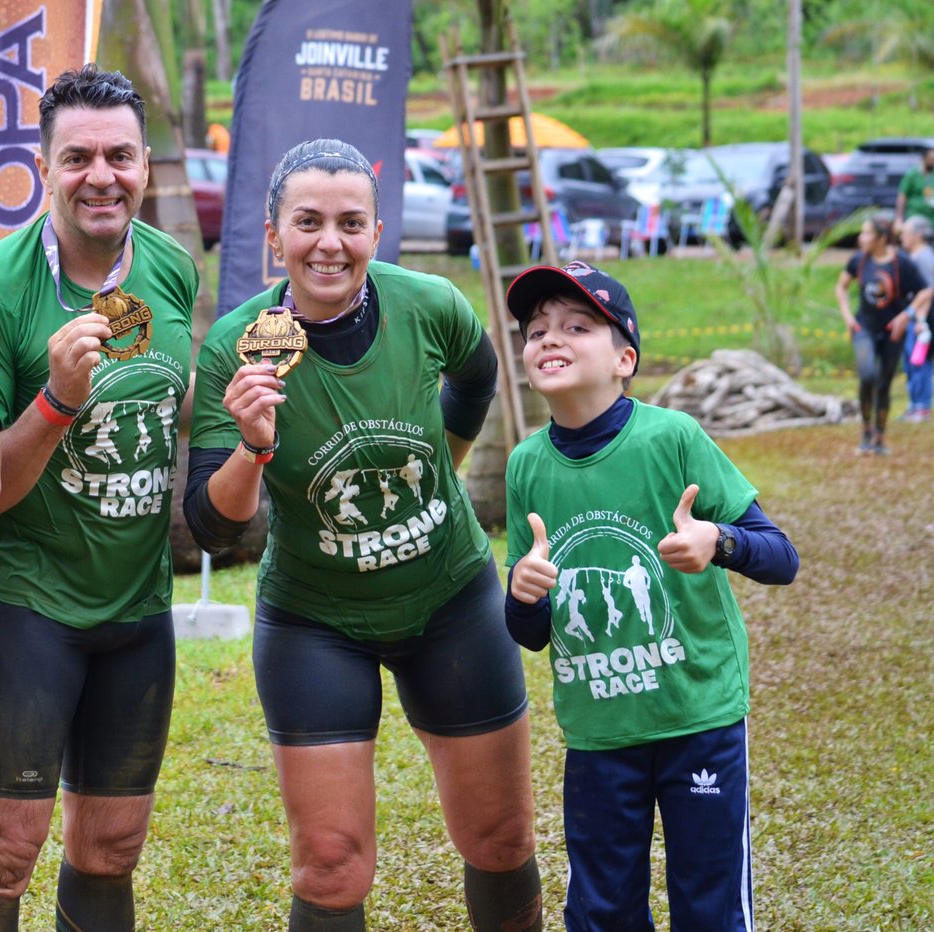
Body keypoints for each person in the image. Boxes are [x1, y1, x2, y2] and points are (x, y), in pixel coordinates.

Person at [184, 139, 541, 931]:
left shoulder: (429, 305)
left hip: (451, 599)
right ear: (275, 237)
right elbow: (213, 526)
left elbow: (477, 375)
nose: (330, 243)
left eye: (351, 223)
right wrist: (252, 443)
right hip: (317, 623)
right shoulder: (236, 347)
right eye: (307, 222)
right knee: (333, 862)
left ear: (378, 234)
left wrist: (445, 461)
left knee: (501, 837)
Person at [0, 64, 199, 931]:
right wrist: (55, 399)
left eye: (120, 156)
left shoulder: (169, 268)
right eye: (79, 157)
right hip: (28, 601)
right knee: (8, 848)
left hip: (137, 606)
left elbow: (175, 403)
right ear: (44, 167)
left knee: (111, 848)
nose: (102, 176)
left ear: (145, 165)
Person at [501, 259, 800, 929]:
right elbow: (530, 630)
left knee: (709, 906)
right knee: (602, 910)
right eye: (536, 329)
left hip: (700, 718)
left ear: (624, 358)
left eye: (577, 326)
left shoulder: (673, 438)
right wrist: (523, 593)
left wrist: (717, 541)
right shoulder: (525, 464)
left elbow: (782, 558)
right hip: (600, 733)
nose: (550, 338)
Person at [834, 210, 932, 455]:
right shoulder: (858, 260)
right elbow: (841, 287)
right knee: (867, 375)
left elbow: (926, 291)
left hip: (892, 332)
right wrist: (847, 317)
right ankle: (866, 430)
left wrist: (906, 316)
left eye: (866, 233)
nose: (861, 238)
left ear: (880, 237)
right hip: (863, 328)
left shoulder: (902, 263)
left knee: (884, 383)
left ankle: (879, 436)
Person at [897, 215, 934, 421]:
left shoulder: (924, 257)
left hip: (923, 319)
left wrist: (920, 320)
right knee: (911, 362)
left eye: (905, 233)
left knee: (921, 362)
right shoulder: (914, 256)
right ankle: (914, 405)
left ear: (918, 235)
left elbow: (929, 290)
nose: (902, 237)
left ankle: (922, 407)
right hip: (914, 317)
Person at [895, 146, 934, 227]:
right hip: (914, 215)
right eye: (931, 159)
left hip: (931, 217)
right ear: (924, 158)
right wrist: (899, 218)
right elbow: (902, 196)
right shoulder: (912, 174)